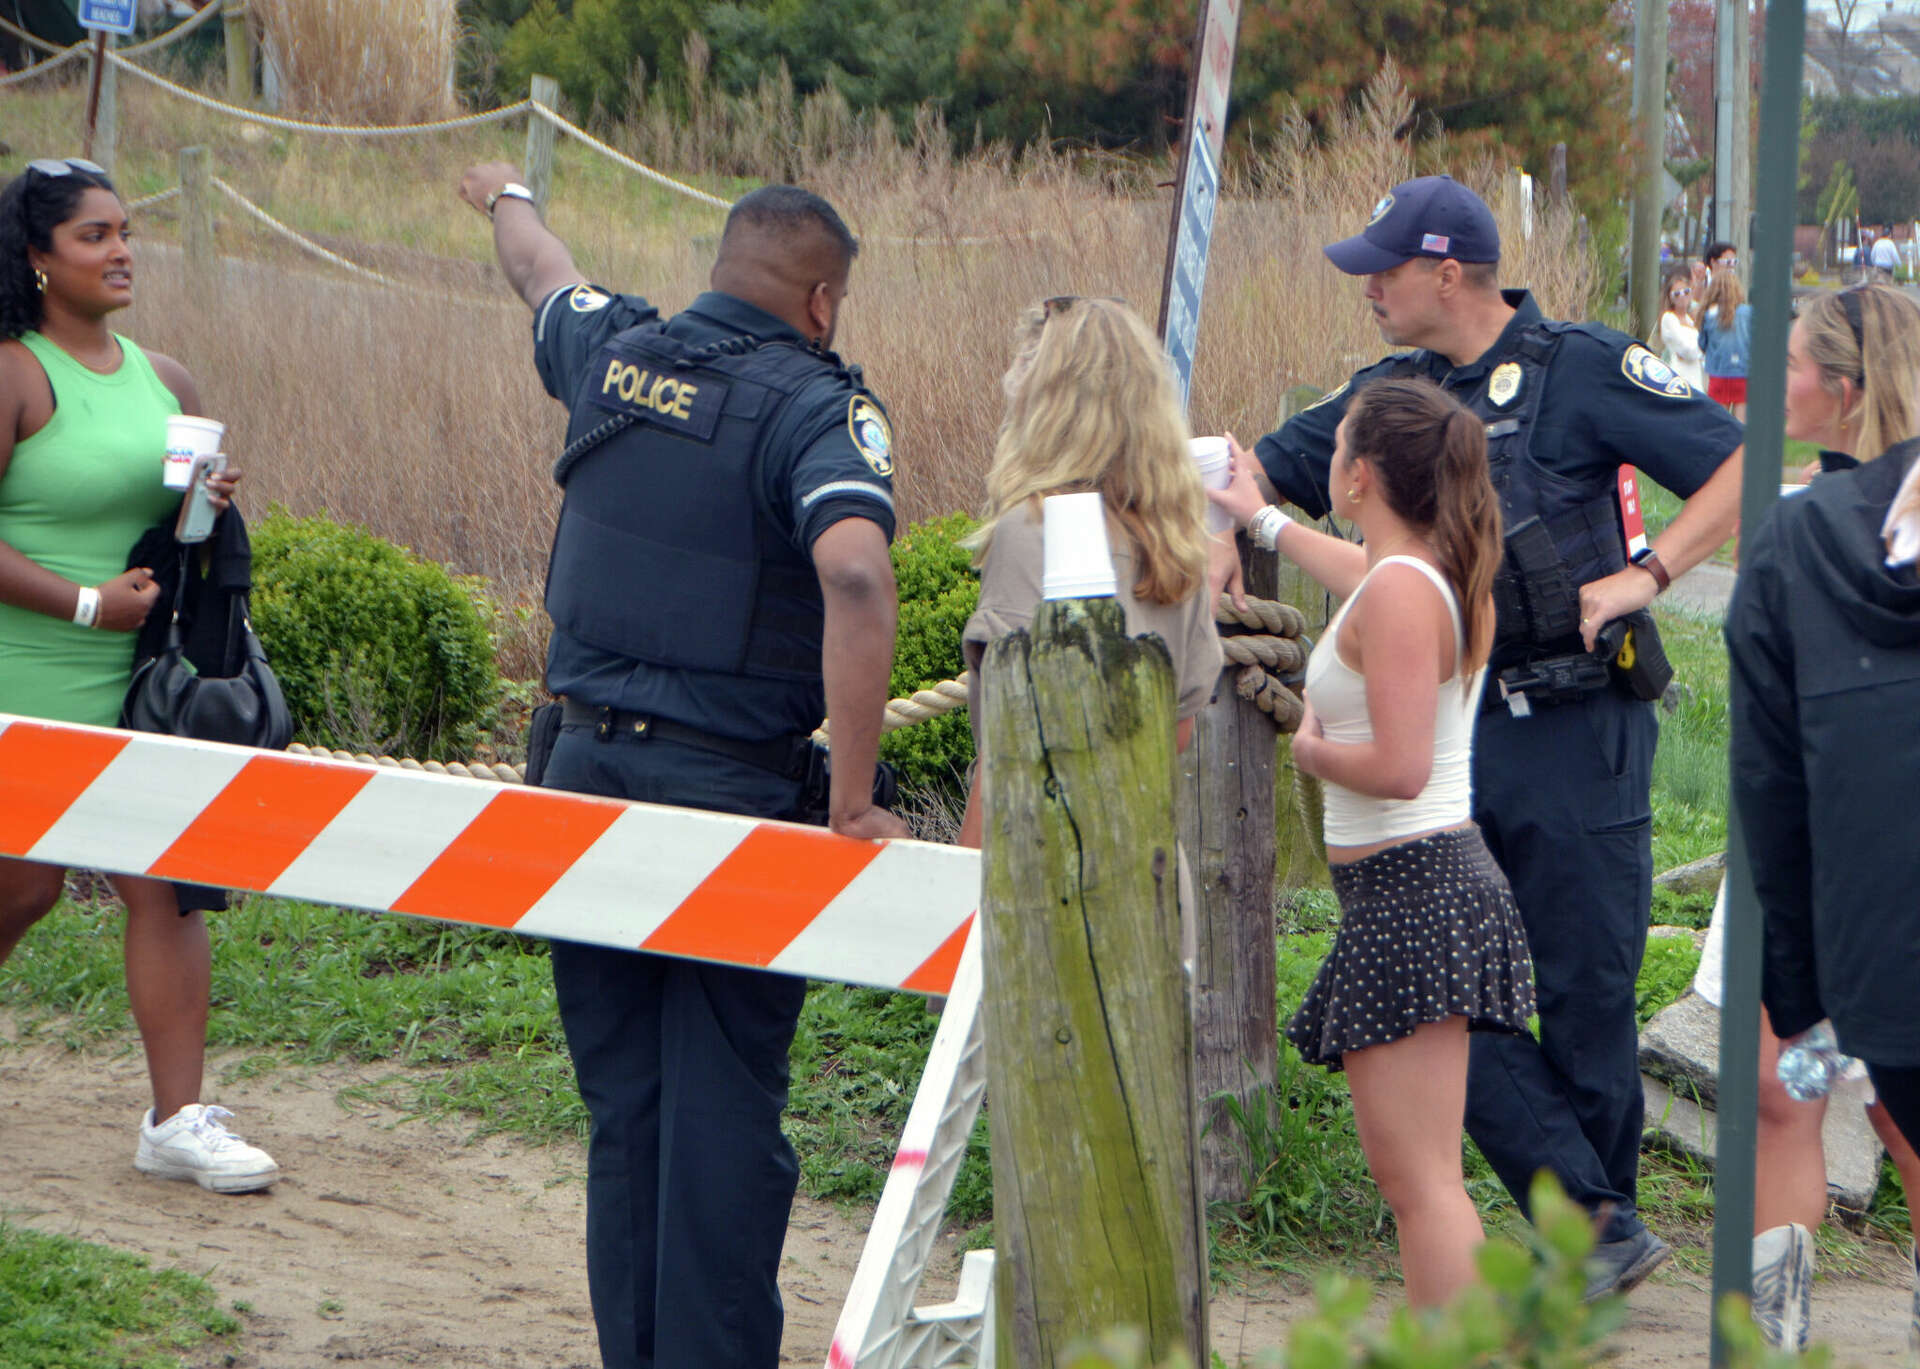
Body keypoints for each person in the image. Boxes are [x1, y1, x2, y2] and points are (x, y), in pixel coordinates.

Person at [1239, 174, 1744, 1298]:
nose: (1367, 286)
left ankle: (1588, 1252)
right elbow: (1263, 469)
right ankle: (1595, 1222)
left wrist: (1647, 575)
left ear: (1450, 270)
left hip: (1582, 725)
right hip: (1464, 727)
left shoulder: (1579, 368)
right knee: (1442, 981)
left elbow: (1737, 461)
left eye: (1385, 266)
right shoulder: (1389, 394)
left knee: (1586, 989)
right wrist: (1214, 518)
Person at [457, 161, 908, 1369]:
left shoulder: (613, 353)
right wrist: (855, 799)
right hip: (725, 802)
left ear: (722, 266)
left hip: (578, 782)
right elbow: (857, 574)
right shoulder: (819, 408)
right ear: (821, 301)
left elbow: (538, 271)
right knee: (720, 1125)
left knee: (629, 1112)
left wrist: (505, 188)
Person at [1212, 376, 1535, 1308]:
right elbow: (1356, 578)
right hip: (1425, 883)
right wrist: (1261, 522)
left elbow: (1396, 766)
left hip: (1412, 885)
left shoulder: (1402, 589)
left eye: (1339, 443)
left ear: (1358, 475)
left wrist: (1309, 745)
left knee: (1419, 1183)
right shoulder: (1423, 573)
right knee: (1428, 1176)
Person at [0, 158, 279, 1194]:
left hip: (141, 684)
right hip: (22, 673)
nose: (122, 251)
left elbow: (177, 542)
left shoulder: (167, 380)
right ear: (38, 257)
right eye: (93, 236)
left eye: (126, 231)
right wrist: (82, 603)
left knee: (163, 884)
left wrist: (205, 508)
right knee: (21, 886)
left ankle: (176, 1119)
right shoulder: (13, 371)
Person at [1708, 283, 1920, 1354]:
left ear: (1839, 389)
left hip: (1835, 882)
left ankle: (1770, 1345)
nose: (1768, 382)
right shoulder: (1797, 534)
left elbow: (1768, 780)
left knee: (1788, 1091)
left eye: (1788, 364)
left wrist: (1792, 977)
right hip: (1869, 876)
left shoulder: (1790, 551)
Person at [956, 296, 1223, 848]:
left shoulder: (1031, 532)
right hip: (1146, 873)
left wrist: (963, 899)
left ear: (1048, 400)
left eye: (1021, 368)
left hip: (1048, 880)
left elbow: (1014, 750)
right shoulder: (1175, 542)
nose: (1008, 384)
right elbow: (1177, 732)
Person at [1700, 267, 1754, 421]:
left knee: (1718, 424)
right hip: (1742, 374)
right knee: (1741, 426)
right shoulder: (1748, 312)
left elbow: (1702, 344)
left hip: (1718, 374)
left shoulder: (1709, 314)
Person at [1657, 265, 1706, 393]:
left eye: (1686, 292)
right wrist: (1700, 350)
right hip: (1678, 381)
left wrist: (1699, 351)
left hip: (1696, 379)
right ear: (1670, 297)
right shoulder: (1669, 318)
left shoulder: (1690, 320)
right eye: (1677, 294)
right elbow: (1686, 349)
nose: (1682, 296)